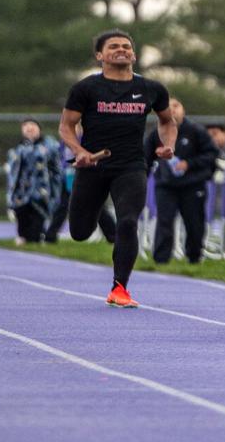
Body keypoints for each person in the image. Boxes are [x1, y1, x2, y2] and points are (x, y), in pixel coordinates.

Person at [59, 28, 178, 308]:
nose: (121, 50)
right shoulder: (86, 88)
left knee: (128, 222)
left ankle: (119, 287)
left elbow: (167, 121)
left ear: (134, 55)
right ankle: (96, 208)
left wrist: (168, 145)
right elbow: (66, 126)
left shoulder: (151, 89)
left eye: (126, 46)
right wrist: (80, 152)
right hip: (93, 166)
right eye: (113, 46)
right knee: (79, 231)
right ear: (100, 55)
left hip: (132, 165)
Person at [143, 98, 220, 265]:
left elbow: (212, 154)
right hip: (166, 185)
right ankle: (161, 260)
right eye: (168, 107)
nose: (172, 110)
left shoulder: (196, 131)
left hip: (192, 185)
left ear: (183, 110)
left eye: (176, 106)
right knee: (164, 221)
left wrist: (189, 164)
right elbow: (145, 159)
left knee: (194, 222)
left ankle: (194, 257)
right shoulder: (156, 134)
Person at [5, 119, 65, 245]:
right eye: (26, 125)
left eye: (33, 125)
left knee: (36, 225)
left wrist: (55, 189)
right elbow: (13, 173)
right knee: (23, 224)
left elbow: (57, 169)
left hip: (41, 192)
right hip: (21, 193)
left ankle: (38, 237)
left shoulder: (49, 147)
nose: (29, 128)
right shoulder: (18, 149)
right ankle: (25, 238)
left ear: (39, 129)